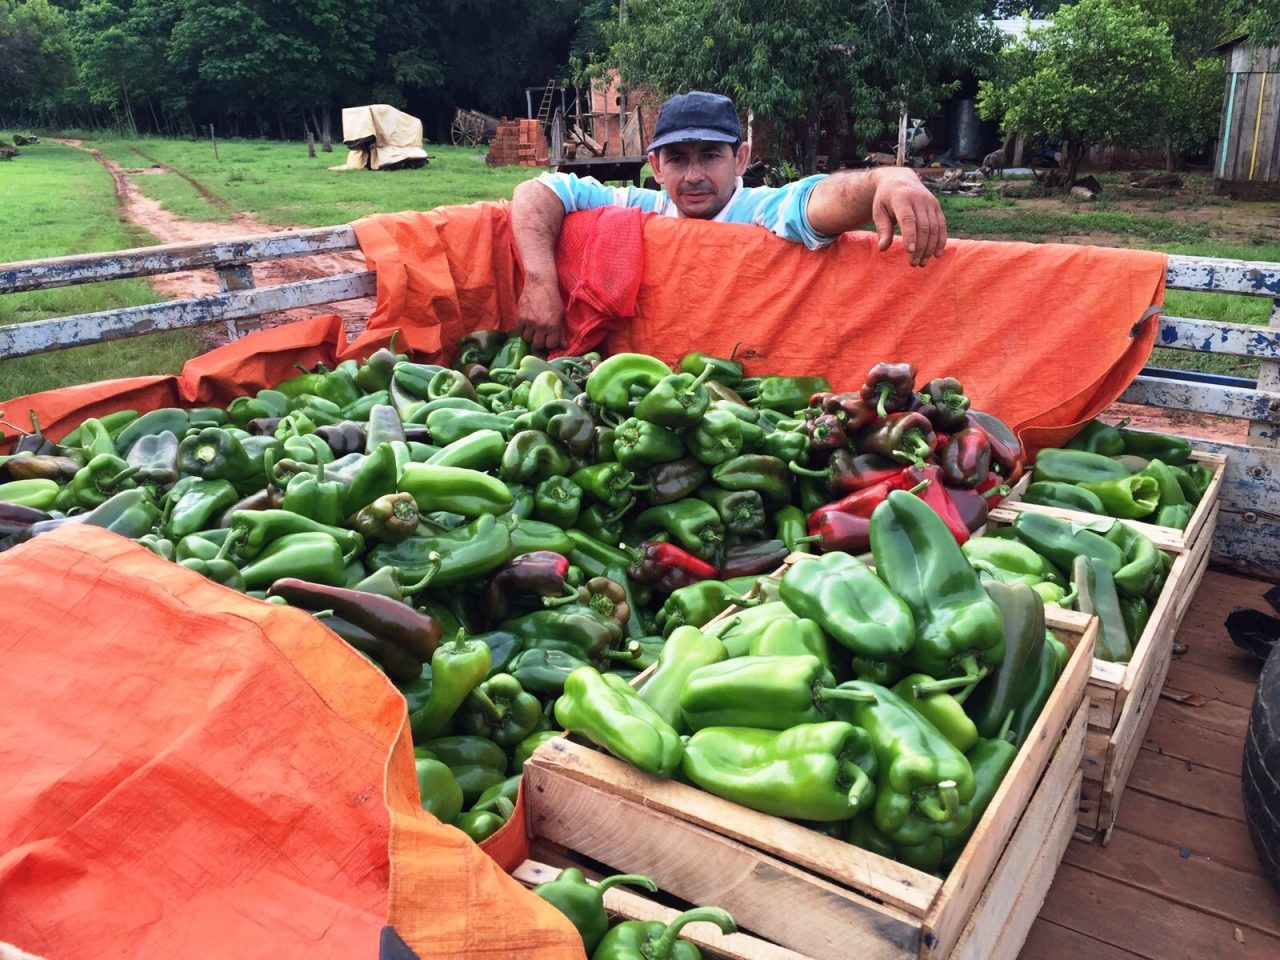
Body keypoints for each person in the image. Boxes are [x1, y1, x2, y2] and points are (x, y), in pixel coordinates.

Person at [510, 90, 948, 352]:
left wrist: (889, 180)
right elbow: (539, 191)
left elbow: (815, 199)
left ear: (740, 158)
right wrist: (540, 281)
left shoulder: (759, 209)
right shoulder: (639, 206)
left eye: (711, 156)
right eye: (678, 159)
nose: (695, 175)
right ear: (656, 167)